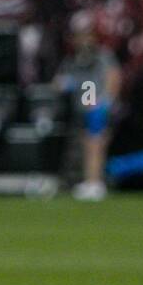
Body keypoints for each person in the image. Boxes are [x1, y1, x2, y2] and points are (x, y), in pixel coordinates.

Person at [55, 12, 120, 201]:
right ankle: (89, 180)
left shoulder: (102, 56)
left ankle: (95, 182)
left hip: (97, 108)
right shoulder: (72, 60)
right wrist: (64, 83)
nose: (83, 39)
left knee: (95, 143)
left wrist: (106, 100)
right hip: (81, 109)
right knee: (87, 144)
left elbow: (113, 77)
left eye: (86, 35)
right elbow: (59, 82)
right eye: (79, 35)